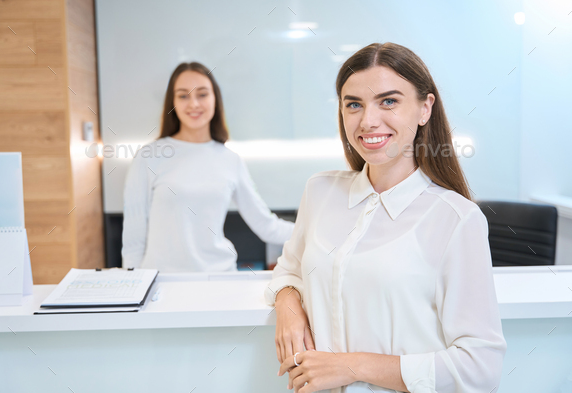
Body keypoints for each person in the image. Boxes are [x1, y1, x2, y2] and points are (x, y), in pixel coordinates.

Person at [265, 43, 507, 393]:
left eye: (389, 101)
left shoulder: (457, 219)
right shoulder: (320, 191)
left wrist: (350, 366)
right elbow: (290, 268)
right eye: (354, 105)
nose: (368, 121)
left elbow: (479, 369)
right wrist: (288, 303)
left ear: (425, 108)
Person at [122, 62, 294, 272]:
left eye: (202, 94)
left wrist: (319, 231)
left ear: (215, 100)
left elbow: (266, 226)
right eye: (183, 96)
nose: (193, 103)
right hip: (162, 283)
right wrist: (133, 285)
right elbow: (133, 237)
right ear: (173, 103)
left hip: (219, 279)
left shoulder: (231, 160)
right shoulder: (149, 156)